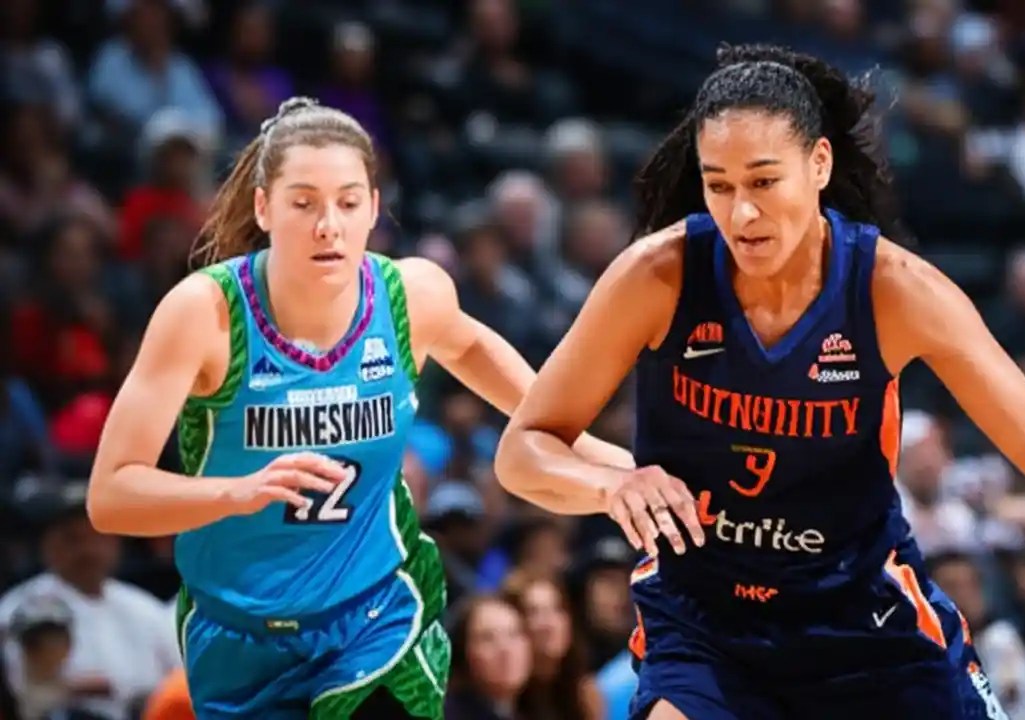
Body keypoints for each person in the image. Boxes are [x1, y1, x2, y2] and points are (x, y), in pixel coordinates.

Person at [493, 44, 1025, 720]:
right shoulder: (657, 277)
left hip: (860, 612)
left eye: (764, 180)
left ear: (820, 164)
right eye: (718, 184)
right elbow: (524, 448)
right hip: (705, 617)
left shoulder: (892, 289)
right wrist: (608, 488)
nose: (741, 211)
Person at [86, 97, 632, 719]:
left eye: (348, 202)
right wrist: (238, 492)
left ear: (374, 206)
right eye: (304, 202)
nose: (329, 225)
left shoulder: (412, 296)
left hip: (377, 618)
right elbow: (111, 496)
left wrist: (629, 471)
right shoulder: (203, 314)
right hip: (239, 634)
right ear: (263, 207)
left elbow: (543, 414)